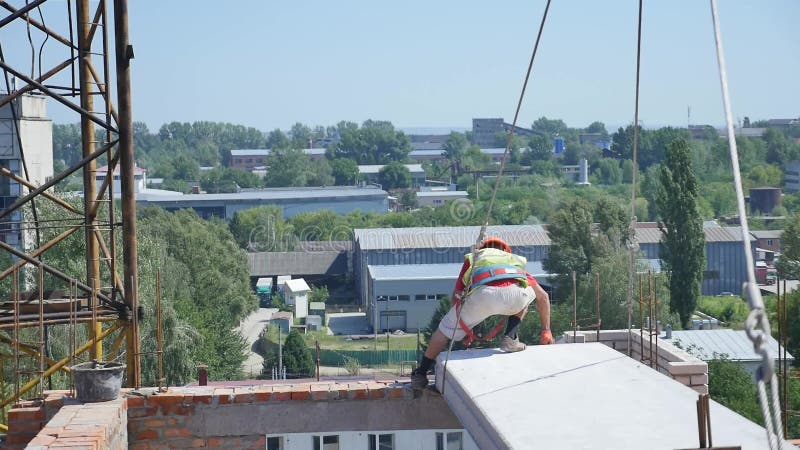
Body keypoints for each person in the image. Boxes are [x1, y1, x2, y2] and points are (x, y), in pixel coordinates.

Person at [410, 236, 553, 389]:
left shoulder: (475, 258)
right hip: (517, 296)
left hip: (484, 296)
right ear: (505, 250)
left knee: (443, 331)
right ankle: (511, 337)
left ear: (482, 248)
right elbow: (543, 297)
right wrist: (546, 330)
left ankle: (421, 373)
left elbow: (456, 297)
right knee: (525, 295)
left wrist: (461, 328)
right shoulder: (512, 260)